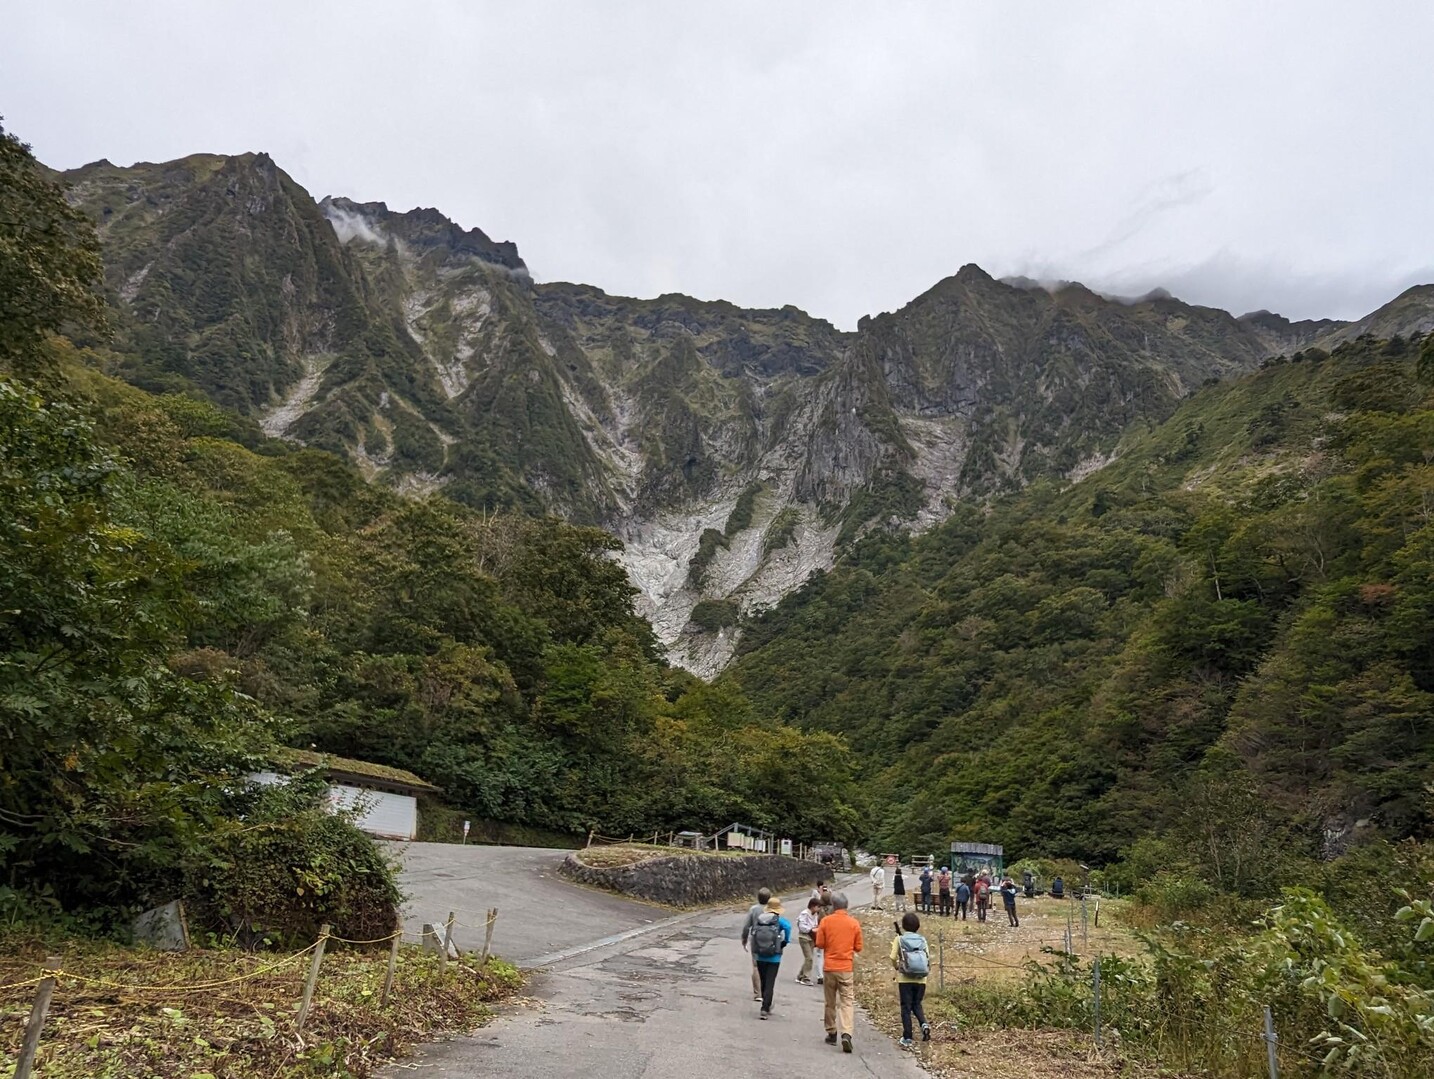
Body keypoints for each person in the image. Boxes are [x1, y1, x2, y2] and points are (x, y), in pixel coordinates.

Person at [814, 892, 863, 1053]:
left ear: (833, 906)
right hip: (846, 968)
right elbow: (858, 947)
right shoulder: (854, 923)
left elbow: (820, 944)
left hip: (830, 967)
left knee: (830, 1001)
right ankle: (847, 1032)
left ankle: (832, 1031)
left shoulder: (826, 921)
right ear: (847, 906)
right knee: (847, 1002)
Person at [888, 912, 931, 1047]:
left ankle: (907, 1037)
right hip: (921, 978)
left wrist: (897, 967)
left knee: (906, 1007)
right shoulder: (922, 940)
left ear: (904, 926)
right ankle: (923, 1024)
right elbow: (928, 957)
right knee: (917, 1004)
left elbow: (893, 957)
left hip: (905, 979)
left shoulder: (899, 939)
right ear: (917, 926)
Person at [752, 896, 792, 1018]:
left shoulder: (760, 919)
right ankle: (765, 1008)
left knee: (763, 980)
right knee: (770, 982)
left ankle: (765, 1002)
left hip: (760, 955)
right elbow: (788, 927)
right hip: (774, 956)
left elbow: (753, 932)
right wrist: (785, 941)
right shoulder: (779, 921)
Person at [740, 886, 773, 1001]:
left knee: (756, 966)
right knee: (768, 965)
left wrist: (744, 939)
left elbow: (746, 926)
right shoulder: (773, 909)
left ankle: (758, 993)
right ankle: (767, 991)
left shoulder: (754, 909)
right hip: (770, 940)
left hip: (756, 939)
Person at [796, 897, 821, 985]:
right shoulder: (804, 914)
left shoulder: (815, 914)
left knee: (808, 958)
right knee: (809, 958)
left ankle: (800, 975)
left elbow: (815, 924)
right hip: (804, 937)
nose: (819, 909)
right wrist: (811, 929)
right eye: (818, 907)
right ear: (813, 906)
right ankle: (806, 978)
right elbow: (802, 926)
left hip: (811, 938)